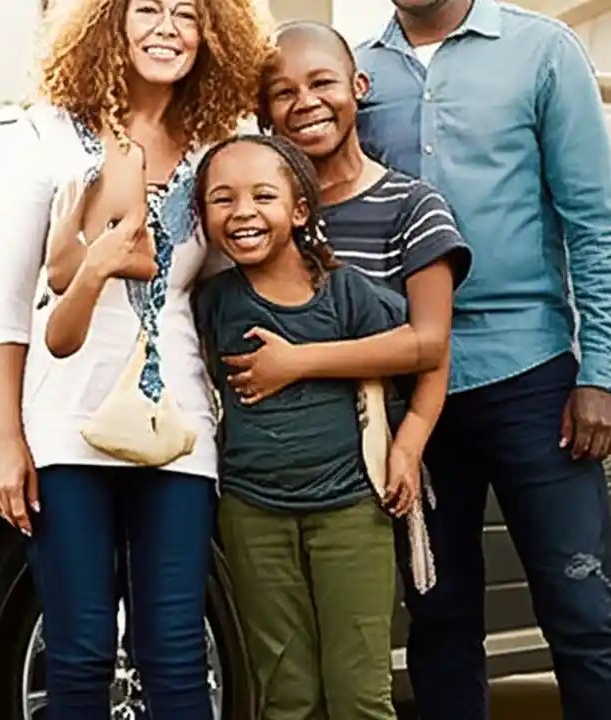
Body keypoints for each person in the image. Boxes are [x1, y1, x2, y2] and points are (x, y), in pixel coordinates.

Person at [0, 0, 265, 715]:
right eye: (147, 9)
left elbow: (230, 287)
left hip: (179, 429)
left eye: (187, 14)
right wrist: (7, 442)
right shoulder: (46, 135)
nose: (168, 28)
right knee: (80, 651)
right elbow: (7, 307)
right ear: (109, 22)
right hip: (64, 426)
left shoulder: (219, 145)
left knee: (176, 651)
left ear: (211, 34)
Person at [352, 1, 611, 717]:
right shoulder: (356, 72)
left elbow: (596, 221)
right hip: (412, 386)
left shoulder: (543, 51)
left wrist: (604, 373)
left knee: (582, 608)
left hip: (531, 376)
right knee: (438, 617)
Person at [246, 21, 475, 595]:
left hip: (382, 463)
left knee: (408, 619)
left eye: (322, 82)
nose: (305, 102)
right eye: (283, 92)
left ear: (359, 86)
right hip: (280, 477)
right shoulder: (261, 217)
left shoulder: (412, 205)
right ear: (263, 112)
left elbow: (430, 345)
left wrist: (409, 444)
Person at [193, 133, 408, 720]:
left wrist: (408, 447)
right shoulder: (212, 302)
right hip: (253, 514)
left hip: (350, 511)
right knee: (287, 694)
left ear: (300, 210)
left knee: (359, 692)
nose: (242, 212)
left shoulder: (347, 293)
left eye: (263, 196)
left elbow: (421, 351)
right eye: (222, 199)